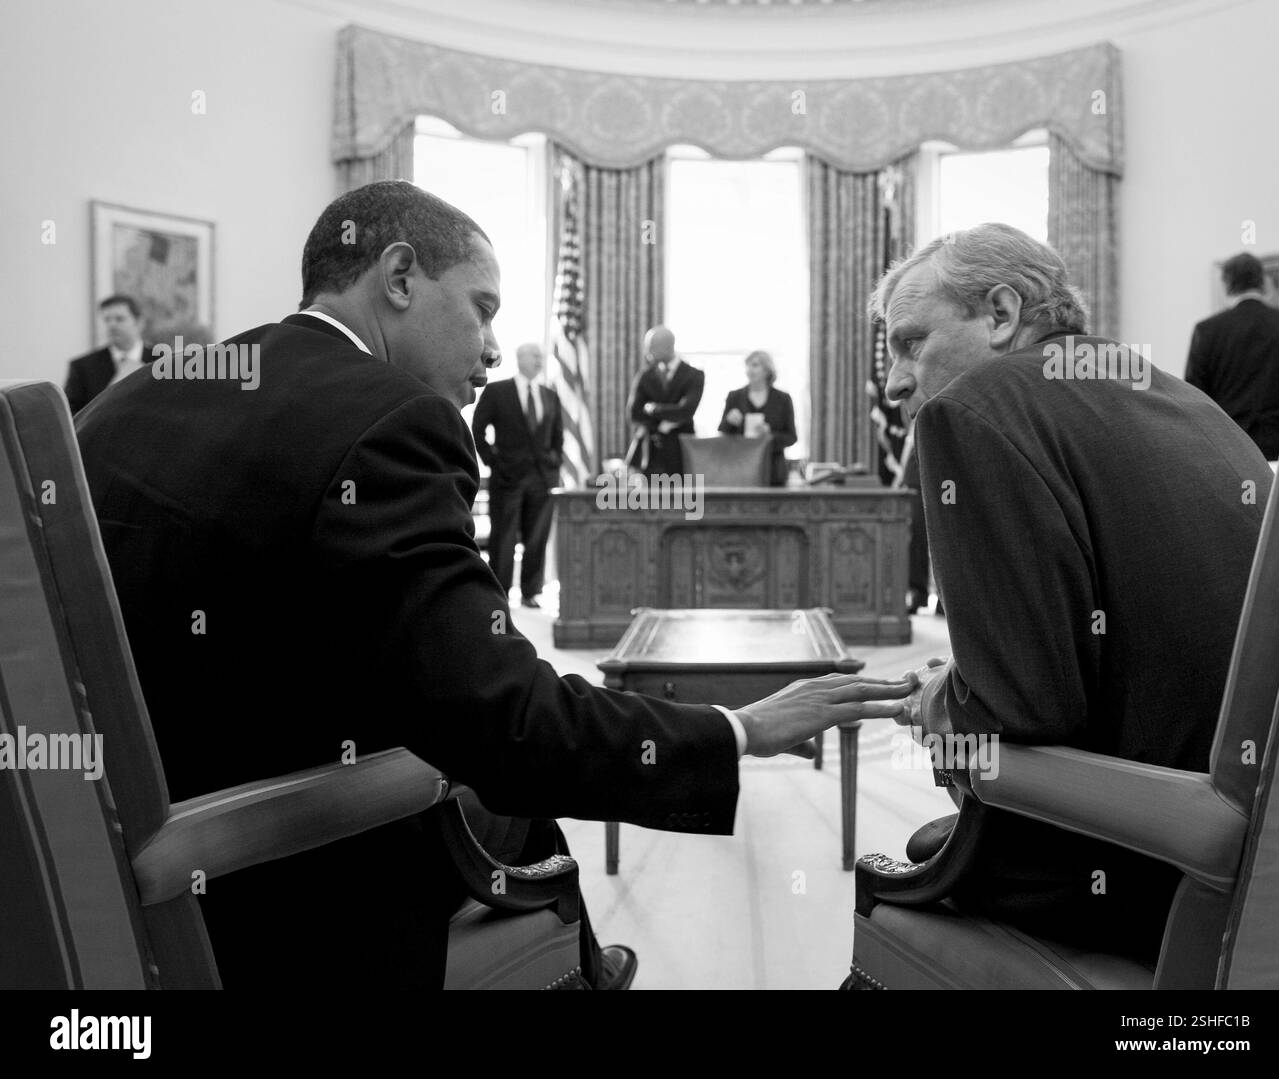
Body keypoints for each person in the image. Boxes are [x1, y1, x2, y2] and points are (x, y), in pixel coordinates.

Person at [74, 180, 912, 990]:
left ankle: (586, 969)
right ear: (399, 277)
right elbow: (506, 722)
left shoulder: (122, 401)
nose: (489, 352)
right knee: (503, 798)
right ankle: (583, 971)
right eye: (482, 309)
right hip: (279, 890)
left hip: (99, 870)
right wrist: (738, 729)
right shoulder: (390, 421)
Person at [874, 223, 1272, 962]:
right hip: (1265, 865)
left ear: (1000, 313)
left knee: (902, 861)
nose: (895, 382)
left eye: (909, 342)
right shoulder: (1183, 399)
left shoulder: (971, 410)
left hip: (1141, 866)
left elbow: (1019, 710)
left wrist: (937, 698)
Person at [471, 342, 562, 608]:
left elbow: (558, 436)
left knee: (537, 537)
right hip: (507, 478)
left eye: (541, 356)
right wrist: (494, 462)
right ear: (520, 359)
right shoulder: (498, 391)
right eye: (535, 356)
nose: (539, 360)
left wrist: (553, 463)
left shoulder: (550, 395)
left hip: (543, 479)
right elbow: (477, 429)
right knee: (504, 537)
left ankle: (531, 592)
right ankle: (499, 592)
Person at [1186, 252, 1279, 462]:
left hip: (1232, 454)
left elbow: (1195, 400)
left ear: (1226, 285)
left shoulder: (1207, 331)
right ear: (1262, 282)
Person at [626, 325, 704, 477]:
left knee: (682, 499)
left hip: (681, 453)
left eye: (650, 347)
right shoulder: (645, 376)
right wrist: (669, 416)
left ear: (667, 347)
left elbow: (686, 411)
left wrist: (653, 409)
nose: (646, 352)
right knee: (649, 500)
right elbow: (634, 414)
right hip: (651, 455)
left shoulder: (694, 376)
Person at [717, 350, 797, 486]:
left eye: (755, 365)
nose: (749, 370)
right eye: (747, 366)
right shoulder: (734, 397)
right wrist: (729, 422)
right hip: (741, 465)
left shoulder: (783, 399)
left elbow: (791, 437)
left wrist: (769, 435)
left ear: (767, 370)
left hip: (773, 468)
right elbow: (723, 431)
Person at [64, 294, 148, 413]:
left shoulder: (165, 361)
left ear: (139, 322)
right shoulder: (82, 367)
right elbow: (71, 416)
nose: (112, 325)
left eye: (119, 319)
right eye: (107, 320)